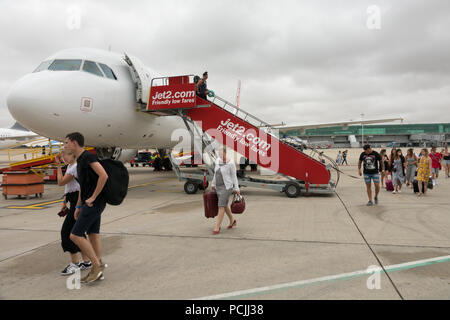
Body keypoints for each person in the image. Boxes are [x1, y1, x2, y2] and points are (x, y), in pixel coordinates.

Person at [65, 132, 108, 284]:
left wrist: (93, 197)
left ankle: (96, 266)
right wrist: (78, 205)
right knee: (93, 234)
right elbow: (83, 186)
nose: (65, 146)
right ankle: (97, 269)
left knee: (75, 235)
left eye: (66, 143)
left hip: (94, 203)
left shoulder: (88, 157)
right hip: (88, 203)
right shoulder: (80, 159)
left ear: (74, 143)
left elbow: (103, 175)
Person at [56, 149, 91, 276]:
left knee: (66, 232)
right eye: (62, 155)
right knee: (79, 233)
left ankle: (75, 264)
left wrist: (58, 166)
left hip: (78, 201)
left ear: (74, 155)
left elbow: (60, 182)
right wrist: (64, 204)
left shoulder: (74, 167)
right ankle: (86, 261)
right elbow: (68, 188)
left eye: (65, 154)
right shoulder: (71, 166)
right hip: (73, 200)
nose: (63, 157)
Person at [211, 147, 240, 235]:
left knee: (221, 206)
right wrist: (213, 184)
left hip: (227, 187)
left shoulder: (230, 163)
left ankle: (217, 227)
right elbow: (215, 173)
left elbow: (234, 176)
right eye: (218, 153)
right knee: (224, 205)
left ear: (225, 153)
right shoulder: (217, 161)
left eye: (221, 153)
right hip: (218, 187)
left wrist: (237, 188)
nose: (220, 155)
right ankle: (232, 220)